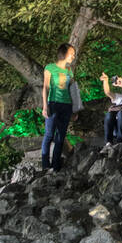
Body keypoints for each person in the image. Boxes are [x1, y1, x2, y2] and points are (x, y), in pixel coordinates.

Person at [41, 42, 76, 172]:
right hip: (53, 104)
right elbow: (45, 87)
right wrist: (45, 106)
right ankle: (45, 165)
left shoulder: (69, 70)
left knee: (61, 136)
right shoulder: (50, 68)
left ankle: (56, 167)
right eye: (72, 54)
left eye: (74, 54)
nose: (73, 56)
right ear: (64, 53)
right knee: (49, 134)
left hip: (66, 105)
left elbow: (72, 89)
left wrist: (74, 108)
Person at [100, 70, 122, 148]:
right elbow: (108, 93)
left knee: (121, 113)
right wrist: (105, 81)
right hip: (118, 126)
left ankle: (120, 142)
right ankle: (108, 143)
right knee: (109, 114)